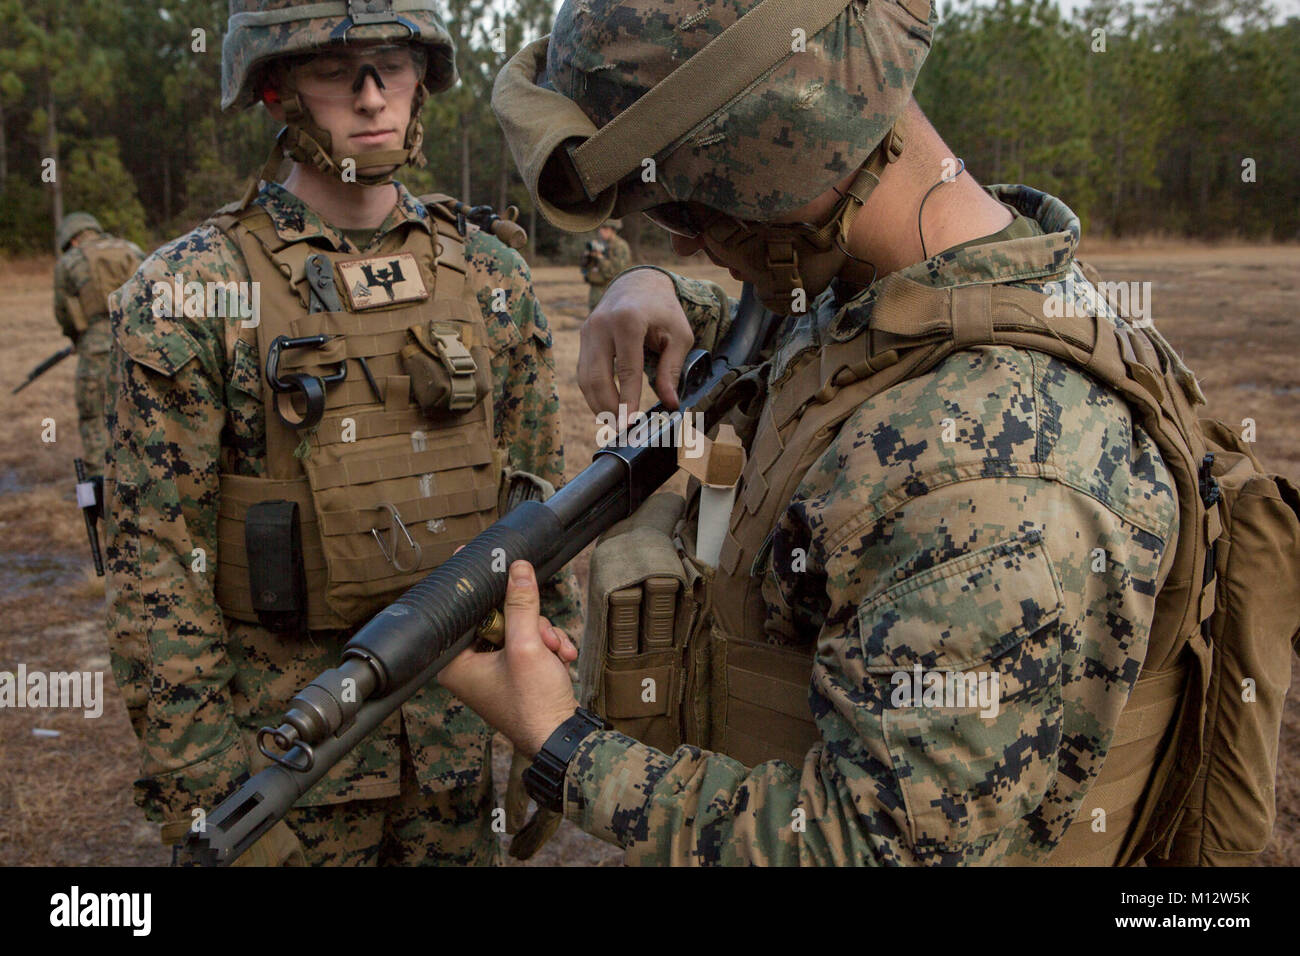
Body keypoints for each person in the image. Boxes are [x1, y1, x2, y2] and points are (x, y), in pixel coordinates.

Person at [441, 0, 1224, 865]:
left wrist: (560, 745)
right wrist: (653, 286)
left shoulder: (985, 470)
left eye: (682, 211)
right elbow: (815, 350)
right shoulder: (904, 294)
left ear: (767, 157)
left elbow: (865, 848)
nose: (691, 243)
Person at [104, 0, 579, 867]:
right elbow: (155, 573)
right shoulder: (192, 291)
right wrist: (217, 805)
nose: (372, 98)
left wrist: (545, 734)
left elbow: (537, 513)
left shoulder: (489, 275)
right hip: (289, 764)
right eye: (337, 71)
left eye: (392, 67)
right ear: (277, 92)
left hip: (454, 758)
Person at [52, 212, 143, 483]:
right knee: (141, 412)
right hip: (140, 343)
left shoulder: (69, 261)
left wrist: (78, 339)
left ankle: (99, 487)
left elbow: (64, 311)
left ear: (73, 239)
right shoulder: (133, 250)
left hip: (96, 346)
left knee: (94, 418)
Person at [580, 219, 631, 310]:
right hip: (596, 289)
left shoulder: (620, 246)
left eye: (604, 228)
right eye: (600, 228)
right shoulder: (599, 244)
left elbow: (616, 271)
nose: (601, 231)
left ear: (612, 230)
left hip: (612, 290)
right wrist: (588, 256)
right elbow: (584, 268)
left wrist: (600, 258)